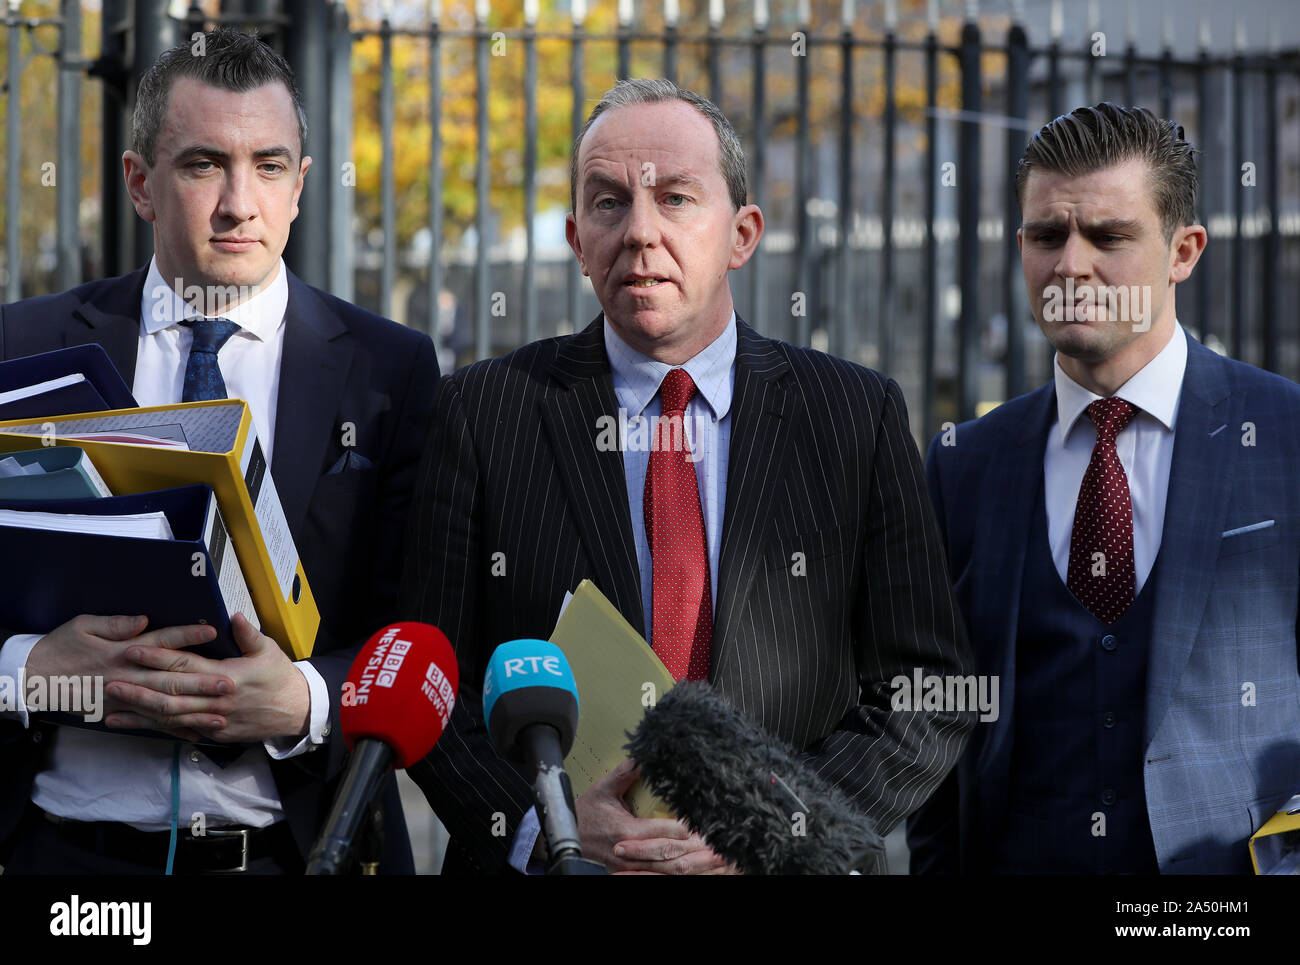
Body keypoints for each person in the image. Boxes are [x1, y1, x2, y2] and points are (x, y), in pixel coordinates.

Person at [401, 78, 973, 874]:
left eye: (674, 199)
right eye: (608, 203)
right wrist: (548, 828)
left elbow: (923, 690)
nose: (639, 232)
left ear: (742, 233)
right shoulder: (485, 411)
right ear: (574, 237)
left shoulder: (855, 414)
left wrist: (775, 831)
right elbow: (433, 680)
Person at [0, 28, 437, 874]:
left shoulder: (392, 370)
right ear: (140, 183)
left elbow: (422, 627)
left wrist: (302, 701)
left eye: (269, 166)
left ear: (302, 185)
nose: (241, 201)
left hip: (292, 851)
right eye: (204, 165)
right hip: (60, 856)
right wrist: (30, 667)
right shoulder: (22, 347)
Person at [906, 103, 1300, 874]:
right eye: (1048, 236)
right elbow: (938, 724)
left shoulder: (1286, 435)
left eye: (1109, 237)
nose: (1071, 265)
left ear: (1183, 251)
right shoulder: (966, 463)